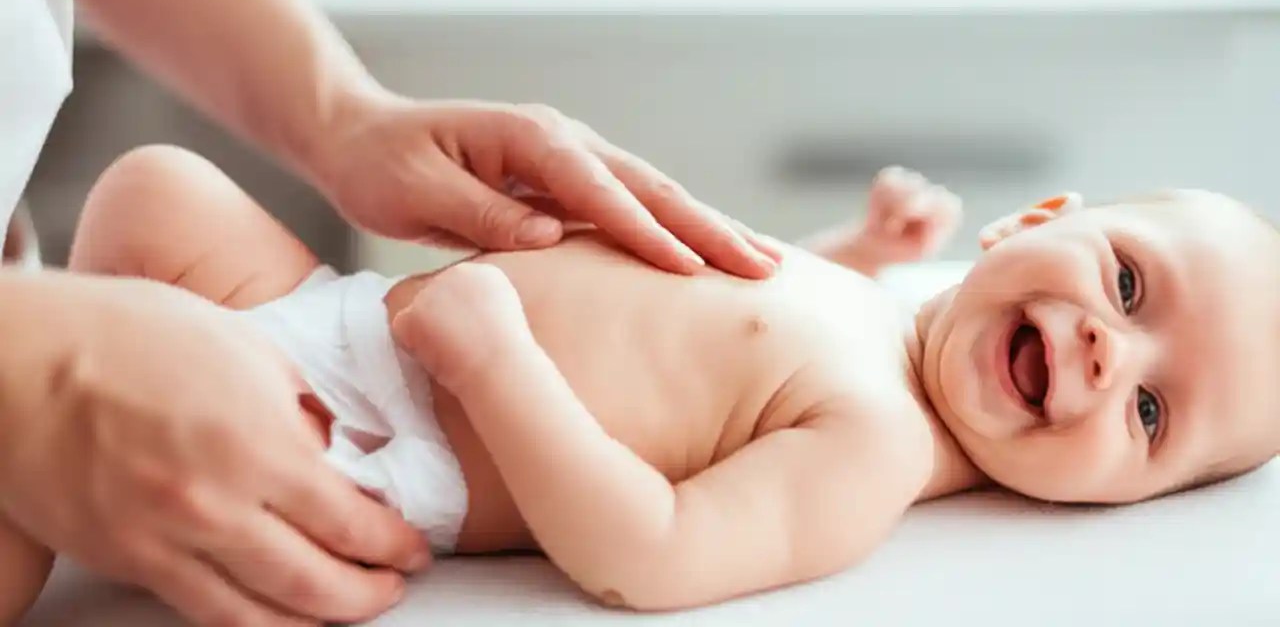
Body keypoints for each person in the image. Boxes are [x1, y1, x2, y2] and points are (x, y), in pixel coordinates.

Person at [8, 146, 1274, 617]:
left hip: (354, 430)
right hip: (331, 311)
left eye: (1150, 415)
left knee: (18, 544)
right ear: (1027, 221)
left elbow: (653, 551)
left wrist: (497, 366)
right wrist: (858, 255)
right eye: (1124, 284)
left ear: (1113, 500)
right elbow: (738, 313)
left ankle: (55, 470)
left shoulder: (874, 452)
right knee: (152, 188)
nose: (1115, 358)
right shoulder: (878, 319)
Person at [0, 0, 779, 624]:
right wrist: (26, 357)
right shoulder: (873, 414)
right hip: (364, 425)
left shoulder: (874, 393)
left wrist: (345, 118)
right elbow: (652, 553)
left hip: (344, 369)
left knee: (156, 189)